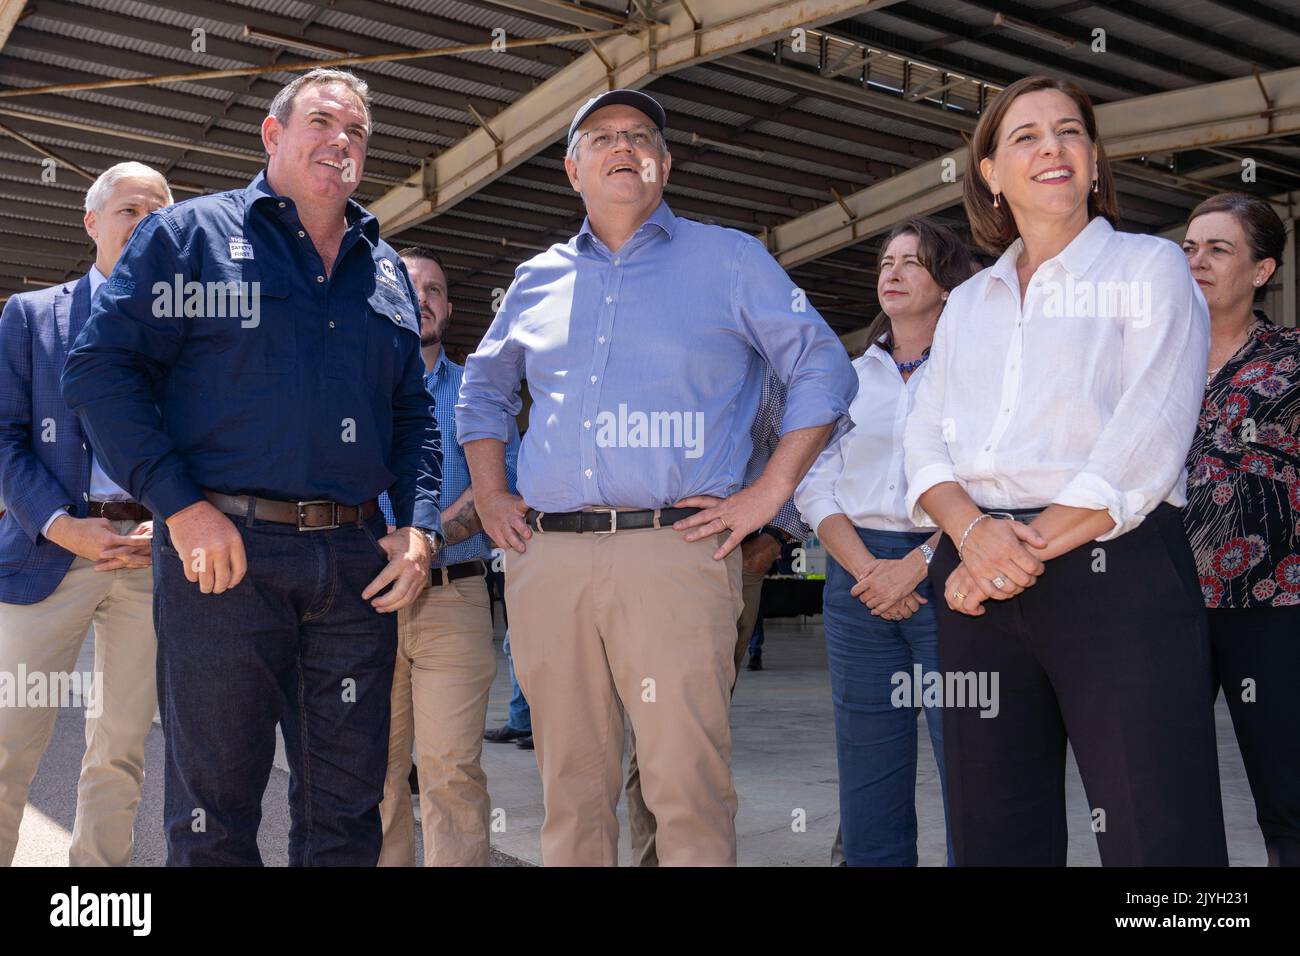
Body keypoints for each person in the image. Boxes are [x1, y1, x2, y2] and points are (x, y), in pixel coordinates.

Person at [457, 89, 857, 866]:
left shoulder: (731, 260)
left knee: (685, 786)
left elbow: (822, 367)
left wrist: (770, 494)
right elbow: (483, 389)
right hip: (550, 558)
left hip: (675, 550)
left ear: (664, 165)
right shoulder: (536, 278)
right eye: (601, 136)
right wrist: (494, 490)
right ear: (573, 170)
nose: (623, 145)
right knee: (570, 790)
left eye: (641, 135)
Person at [61, 68, 442, 866]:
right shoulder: (190, 238)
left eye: (359, 133)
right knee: (215, 809)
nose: (342, 141)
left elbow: (413, 415)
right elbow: (100, 370)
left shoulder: (383, 269)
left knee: (347, 809)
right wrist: (181, 506)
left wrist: (418, 527)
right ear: (273, 135)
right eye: (324, 123)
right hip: (222, 554)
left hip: (353, 562)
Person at [904, 74, 1228, 866]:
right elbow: (924, 444)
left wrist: (1010, 552)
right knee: (992, 827)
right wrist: (976, 538)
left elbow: (1145, 437)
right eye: (1025, 136)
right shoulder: (970, 302)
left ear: (1091, 161)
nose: (1052, 146)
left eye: (1070, 132)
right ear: (989, 173)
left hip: (1113, 568)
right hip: (974, 573)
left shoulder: (1148, 270)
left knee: (1159, 828)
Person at [0, 162, 171, 866]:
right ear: (91, 221)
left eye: (159, 215)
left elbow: (208, 443)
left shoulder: (187, 334)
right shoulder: (31, 315)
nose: (144, 222)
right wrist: (62, 525)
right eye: (130, 208)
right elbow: (4, 436)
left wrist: (173, 520)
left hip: (147, 556)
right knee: (9, 738)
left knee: (122, 744)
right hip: (50, 551)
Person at [797, 218, 975, 867]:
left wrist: (920, 565)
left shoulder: (975, 375)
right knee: (867, 759)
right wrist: (870, 568)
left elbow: (991, 480)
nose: (892, 274)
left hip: (955, 564)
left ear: (949, 284)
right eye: (886, 263)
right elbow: (813, 484)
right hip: (857, 576)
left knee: (968, 758)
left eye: (912, 262)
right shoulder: (850, 378)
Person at [624, 366, 812, 867]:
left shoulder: (755, 366)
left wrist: (776, 537)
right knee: (645, 735)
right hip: (630, 556)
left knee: (689, 733)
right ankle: (652, 858)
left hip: (721, 557)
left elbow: (808, 448)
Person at [376, 245, 519, 867]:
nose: (423, 298)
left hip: (453, 592)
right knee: (370, 770)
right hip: (363, 600)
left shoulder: (478, 393)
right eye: (410, 287)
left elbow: (501, 481)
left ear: (450, 309)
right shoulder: (351, 390)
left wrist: (425, 540)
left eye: (435, 289)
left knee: (450, 766)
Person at [1181, 192, 1300, 867]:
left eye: (1218, 248)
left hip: (1277, 610)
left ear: (1262, 271)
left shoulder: (1291, 361)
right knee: (1165, 787)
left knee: (1288, 792)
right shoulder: (1147, 358)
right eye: (1190, 247)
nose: (1197, 260)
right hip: (1161, 604)